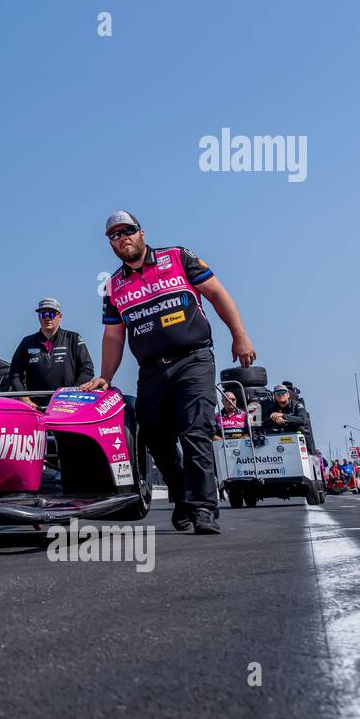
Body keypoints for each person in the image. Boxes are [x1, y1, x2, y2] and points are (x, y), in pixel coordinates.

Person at [81, 211, 257, 535]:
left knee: (195, 431)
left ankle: (204, 509)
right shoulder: (112, 286)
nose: (122, 238)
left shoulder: (179, 257)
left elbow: (217, 294)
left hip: (193, 360)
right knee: (154, 437)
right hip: (151, 371)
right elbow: (113, 335)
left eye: (127, 231)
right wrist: (106, 375)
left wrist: (240, 335)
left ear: (142, 233)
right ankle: (183, 498)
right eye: (114, 235)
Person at [7, 297, 93, 406]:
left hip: (68, 406)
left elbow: (87, 369)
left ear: (60, 316)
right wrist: (25, 399)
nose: (47, 318)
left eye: (51, 314)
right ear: (39, 317)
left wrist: (72, 394)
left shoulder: (73, 338)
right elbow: (15, 374)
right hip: (36, 408)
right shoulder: (27, 342)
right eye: (43, 314)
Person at [261, 385, 314, 449]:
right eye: (277, 393)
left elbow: (302, 420)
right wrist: (273, 419)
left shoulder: (297, 405)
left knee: (301, 431)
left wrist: (283, 415)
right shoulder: (272, 408)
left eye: (283, 392)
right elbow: (263, 422)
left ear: (288, 395)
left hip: (299, 437)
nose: (280, 395)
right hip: (281, 439)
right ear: (274, 396)